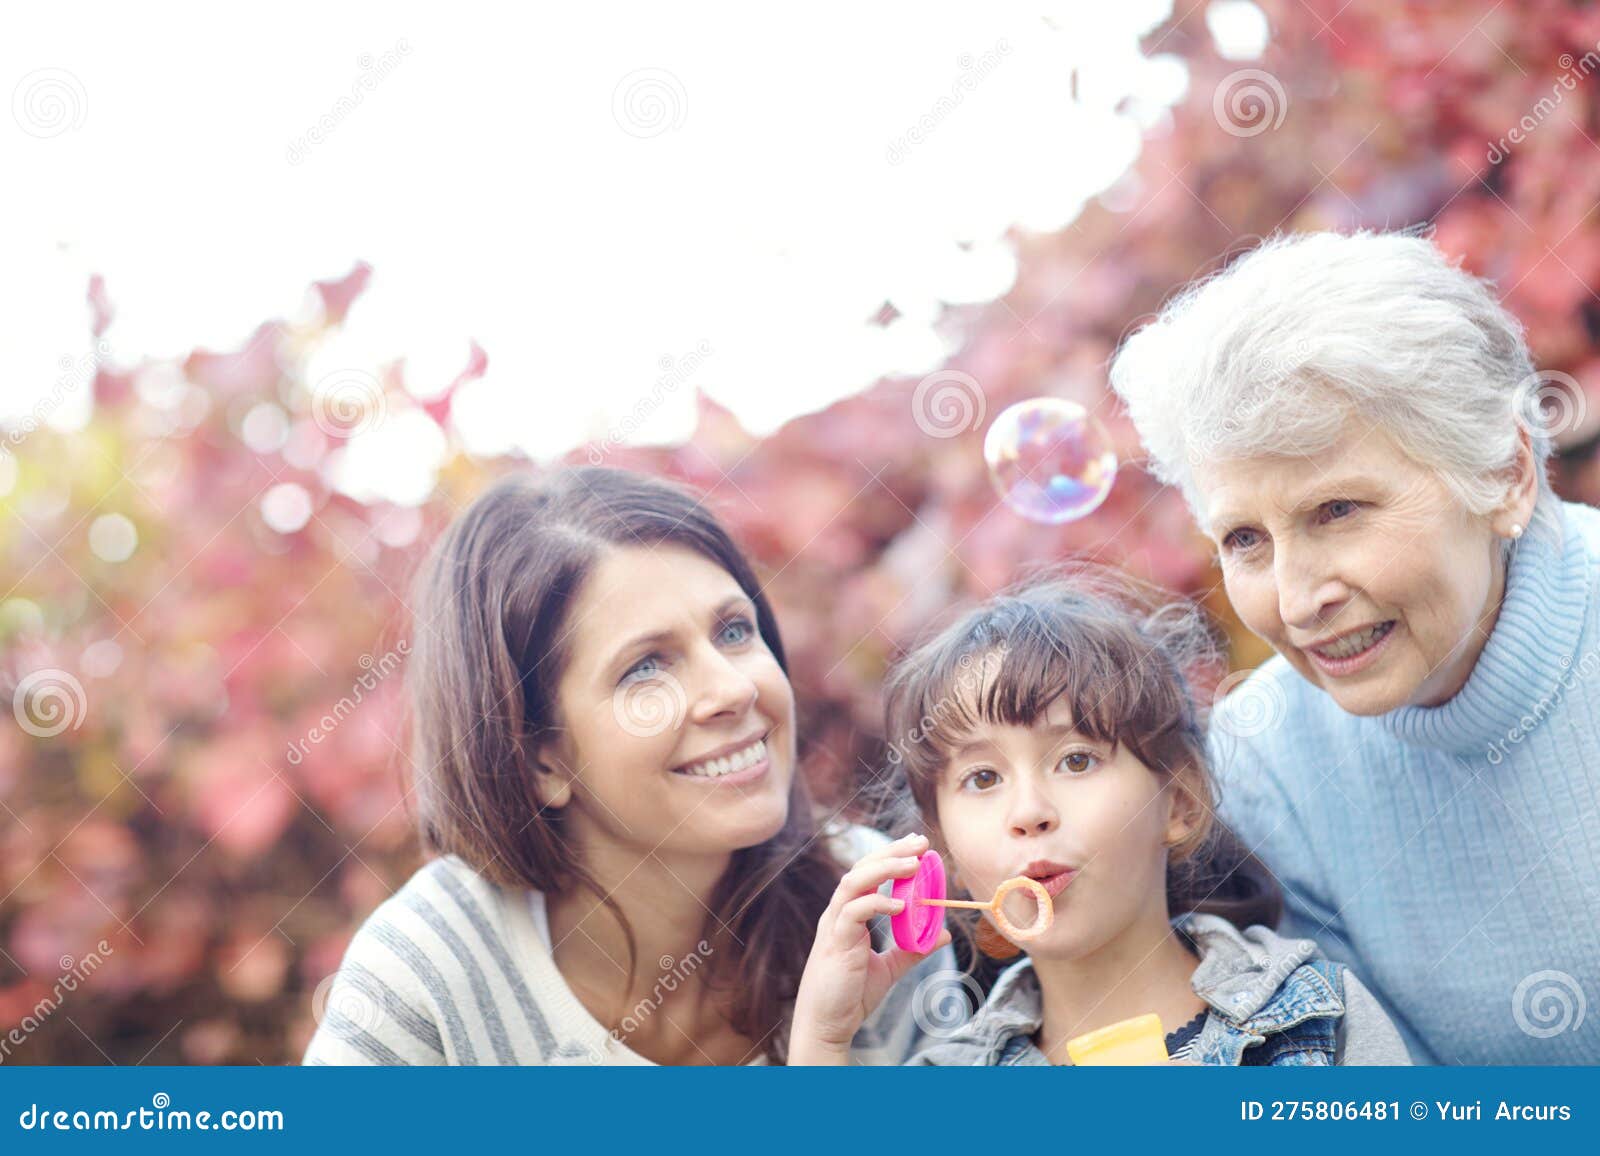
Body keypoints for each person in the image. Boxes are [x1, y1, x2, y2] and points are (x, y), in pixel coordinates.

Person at [1107, 229, 1600, 1063]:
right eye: (1245, 540)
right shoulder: (1265, 762)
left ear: (1506, 474)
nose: (1299, 601)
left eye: (1337, 511)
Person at [304, 467, 960, 1065]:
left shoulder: (878, 913)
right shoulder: (426, 975)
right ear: (538, 759)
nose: (734, 689)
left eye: (734, 630)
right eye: (646, 667)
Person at [788, 573, 1410, 1065]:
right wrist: (822, 1040)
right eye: (983, 778)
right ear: (945, 853)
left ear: (1180, 801)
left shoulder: (1315, 1020)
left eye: (1076, 760)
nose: (1029, 813)